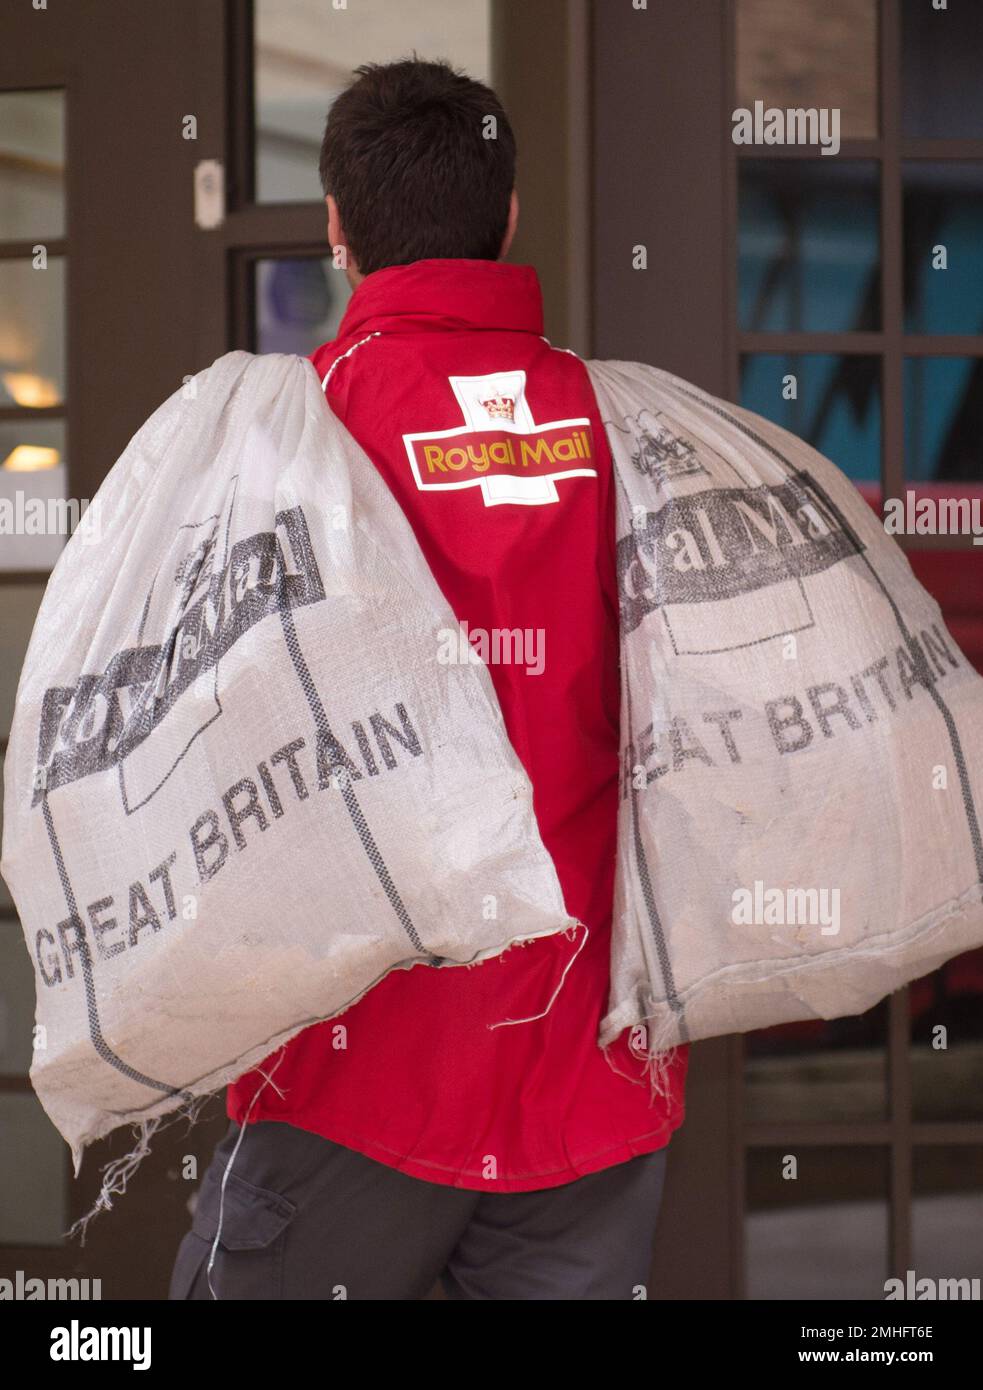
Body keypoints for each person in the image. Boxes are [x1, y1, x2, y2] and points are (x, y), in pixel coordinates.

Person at [169, 56, 688, 1303]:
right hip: (592, 1079)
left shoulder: (291, 437)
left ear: (336, 233)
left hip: (353, 1085)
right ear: (507, 219)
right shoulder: (634, 432)